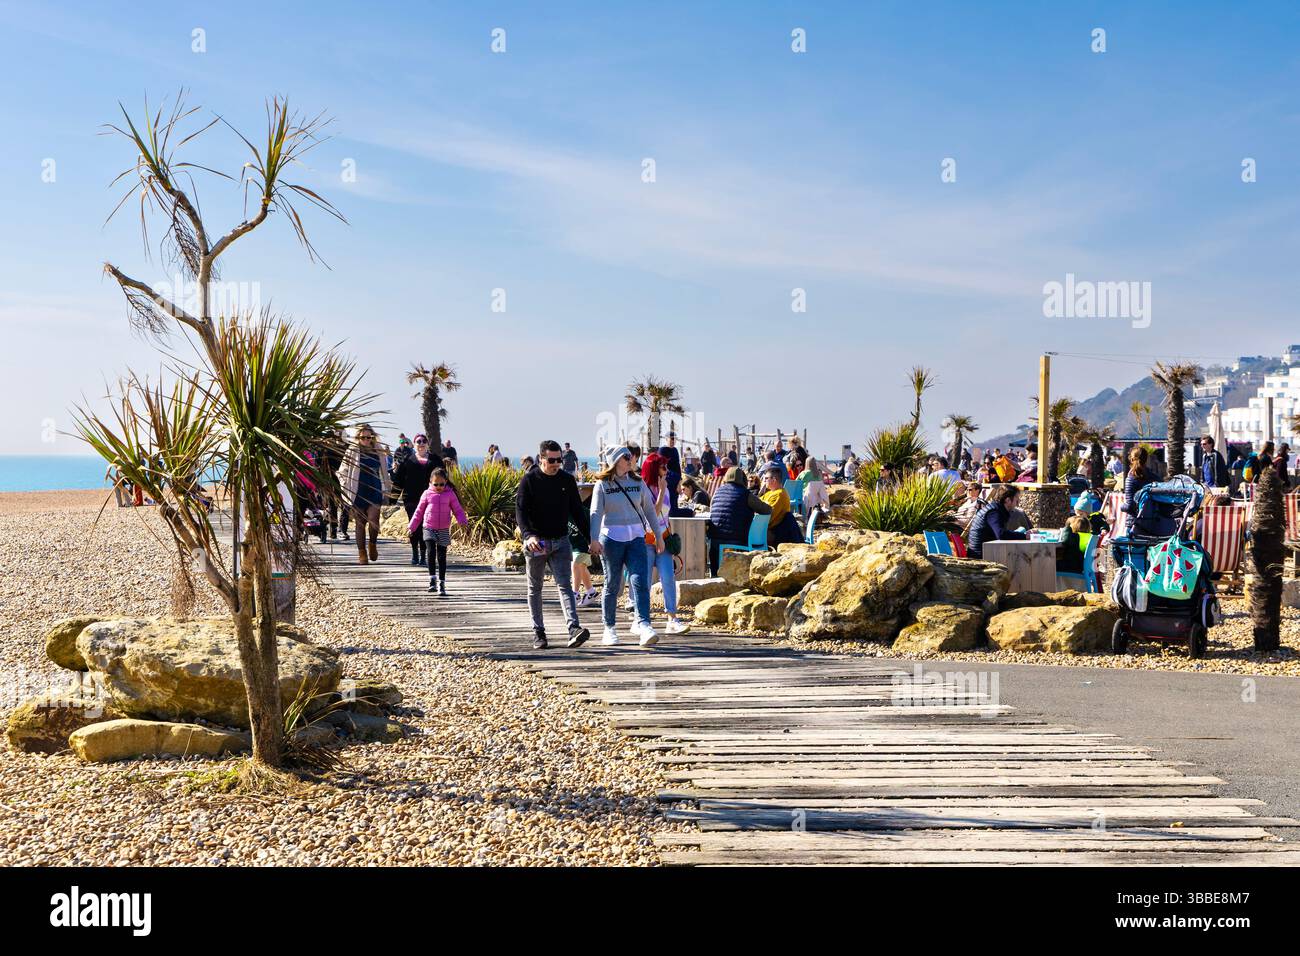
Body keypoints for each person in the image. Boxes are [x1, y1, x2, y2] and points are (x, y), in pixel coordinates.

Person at [515, 440, 592, 650]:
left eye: (559, 459)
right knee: (535, 588)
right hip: (536, 543)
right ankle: (538, 632)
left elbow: (577, 511)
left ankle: (573, 629)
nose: (556, 463)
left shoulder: (566, 480)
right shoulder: (529, 480)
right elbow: (520, 511)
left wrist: (590, 539)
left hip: (561, 541)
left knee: (564, 585)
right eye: (552, 460)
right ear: (541, 458)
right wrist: (528, 535)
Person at [589, 446, 663, 647]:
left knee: (640, 581)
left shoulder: (638, 482)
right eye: (626, 456)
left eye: (630, 456)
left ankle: (644, 625)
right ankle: (609, 628)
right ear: (615, 461)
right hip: (611, 540)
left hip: (637, 539)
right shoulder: (602, 485)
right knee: (613, 584)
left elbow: (649, 510)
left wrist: (658, 536)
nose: (631, 459)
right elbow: (595, 513)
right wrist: (593, 539)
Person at [642, 453, 691, 635]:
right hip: (647, 541)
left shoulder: (666, 488)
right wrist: (662, 491)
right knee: (645, 581)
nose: (667, 471)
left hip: (663, 539)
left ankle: (672, 617)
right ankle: (643, 619)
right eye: (663, 467)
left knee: (668, 578)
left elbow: (666, 514)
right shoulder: (644, 488)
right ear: (654, 469)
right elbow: (651, 514)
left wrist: (668, 535)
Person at [337, 424, 391, 564]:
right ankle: (362, 553)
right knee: (360, 523)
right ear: (358, 437)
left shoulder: (378, 450)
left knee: (374, 521)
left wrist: (386, 489)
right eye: (363, 437)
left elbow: (384, 471)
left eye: (369, 437)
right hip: (357, 490)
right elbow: (342, 471)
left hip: (374, 489)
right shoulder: (352, 450)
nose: (366, 440)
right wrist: (345, 485)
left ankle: (372, 544)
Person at [408, 468, 468, 594]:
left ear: (446, 481)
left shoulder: (450, 494)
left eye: (442, 484)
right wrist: (412, 527)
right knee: (430, 552)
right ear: (430, 482)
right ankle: (432, 580)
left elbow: (457, 509)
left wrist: (463, 521)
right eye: (436, 484)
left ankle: (442, 583)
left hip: (443, 529)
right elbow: (418, 512)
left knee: (441, 556)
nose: (439, 487)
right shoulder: (426, 494)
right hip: (429, 527)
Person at [706, 466, 773, 575]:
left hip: (715, 539)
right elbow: (767, 510)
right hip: (736, 539)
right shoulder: (745, 493)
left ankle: (714, 576)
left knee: (714, 553)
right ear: (743, 480)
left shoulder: (718, 492)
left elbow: (712, 508)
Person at [391, 433, 442, 566]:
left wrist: (450, 495)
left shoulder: (435, 460)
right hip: (411, 499)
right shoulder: (408, 460)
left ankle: (424, 555)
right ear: (414, 444)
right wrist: (392, 499)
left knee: (426, 526)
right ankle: (415, 552)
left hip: (431, 499)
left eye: (424, 441)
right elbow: (398, 480)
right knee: (414, 526)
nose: (421, 443)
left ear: (427, 443)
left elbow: (443, 478)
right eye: (418, 441)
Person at [966, 485, 1029, 559]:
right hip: (980, 555)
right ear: (1008, 500)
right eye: (1016, 499)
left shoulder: (996, 509)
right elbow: (1001, 534)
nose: (1018, 503)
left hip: (984, 551)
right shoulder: (994, 512)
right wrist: (1025, 536)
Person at [761, 464, 803, 545]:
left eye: (766, 478)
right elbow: (757, 503)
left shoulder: (779, 494)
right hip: (769, 530)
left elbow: (767, 518)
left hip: (772, 533)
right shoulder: (770, 493)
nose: (764, 480)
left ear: (774, 480)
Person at [1123, 446, 1155, 523]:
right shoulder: (1155, 478)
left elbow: (1130, 507)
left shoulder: (1131, 479)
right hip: (1153, 522)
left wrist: (1121, 506)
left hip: (1135, 523)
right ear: (1146, 460)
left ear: (1131, 459)